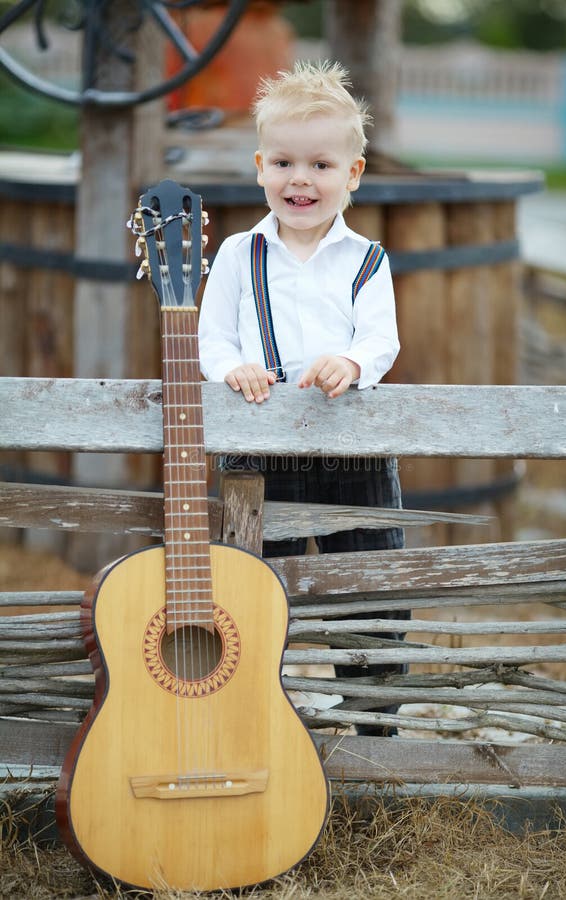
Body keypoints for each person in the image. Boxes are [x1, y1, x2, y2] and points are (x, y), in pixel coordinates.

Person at [198, 60, 409, 736]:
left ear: (351, 174)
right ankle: (256, 721)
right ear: (260, 166)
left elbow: (381, 340)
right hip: (261, 454)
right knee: (256, 597)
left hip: (353, 454)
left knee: (368, 594)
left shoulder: (366, 261)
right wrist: (236, 370)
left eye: (320, 165)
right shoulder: (238, 254)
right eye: (283, 162)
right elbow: (212, 341)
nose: (299, 179)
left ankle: (375, 726)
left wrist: (349, 361)